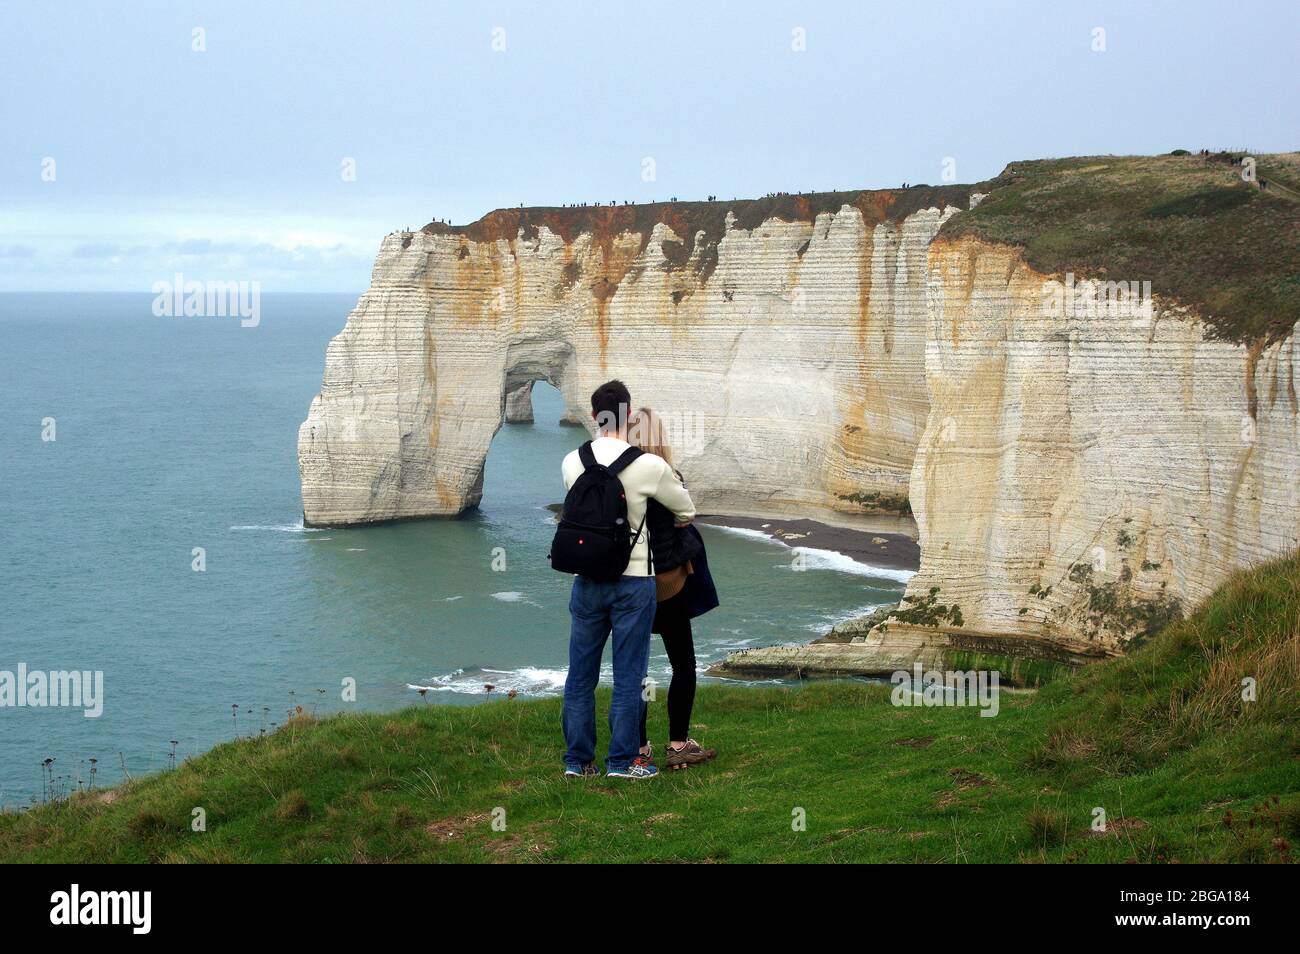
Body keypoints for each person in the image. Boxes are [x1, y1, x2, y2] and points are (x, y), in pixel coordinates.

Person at [559, 381, 696, 779]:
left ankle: (578, 762)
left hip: (586, 582)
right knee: (628, 676)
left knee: (580, 676)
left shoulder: (572, 461)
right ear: (629, 415)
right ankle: (623, 762)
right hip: (634, 581)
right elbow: (685, 511)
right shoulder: (650, 466)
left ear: (593, 415)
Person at [629, 408, 720, 771]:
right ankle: (679, 745)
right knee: (682, 663)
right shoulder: (667, 475)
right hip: (669, 585)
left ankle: (639, 748)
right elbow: (686, 516)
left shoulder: (622, 481)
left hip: (631, 584)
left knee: (634, 667)